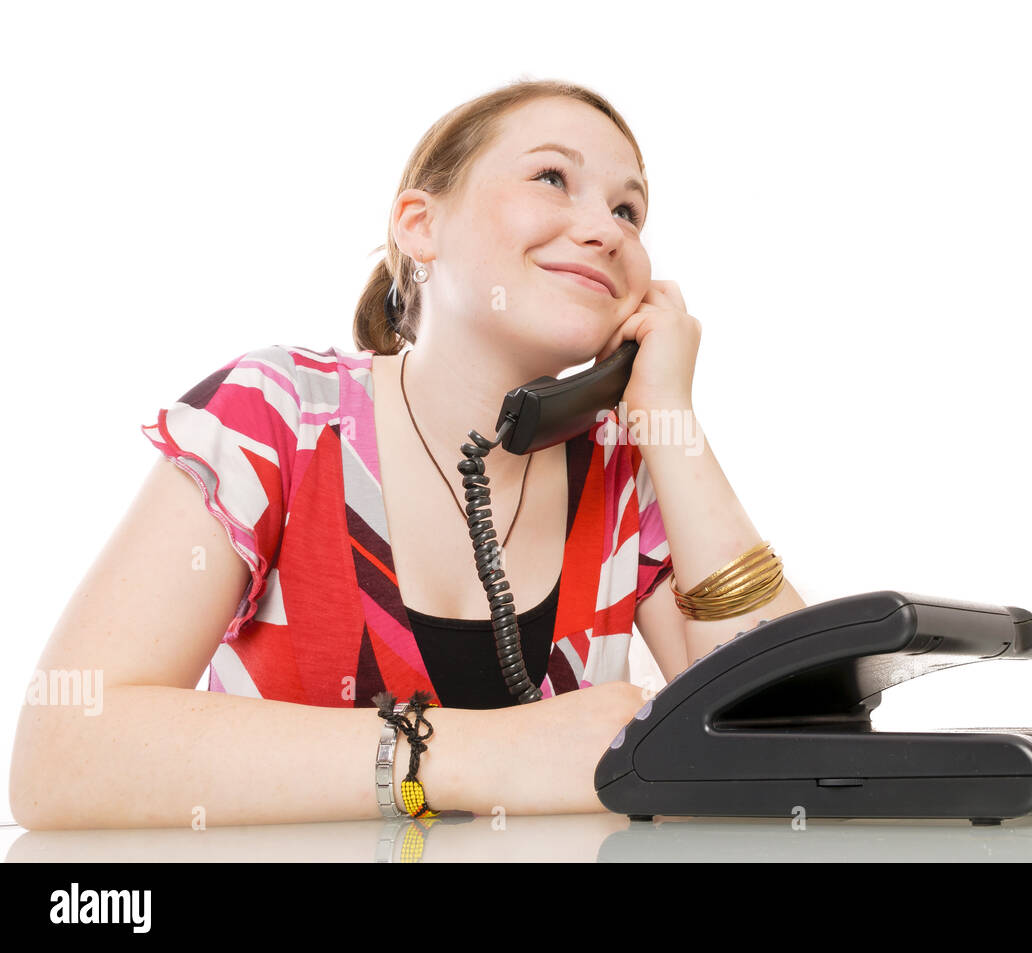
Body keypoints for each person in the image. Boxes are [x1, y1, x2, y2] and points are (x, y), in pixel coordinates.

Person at [10, 78, 804, 831]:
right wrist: (483, 754)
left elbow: (797, 746)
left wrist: (669, 416)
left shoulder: (626, 467)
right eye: (554, 178)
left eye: (630, 210)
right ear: (420, 224)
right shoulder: (279, 416)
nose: (607, 229)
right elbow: (60, 753)